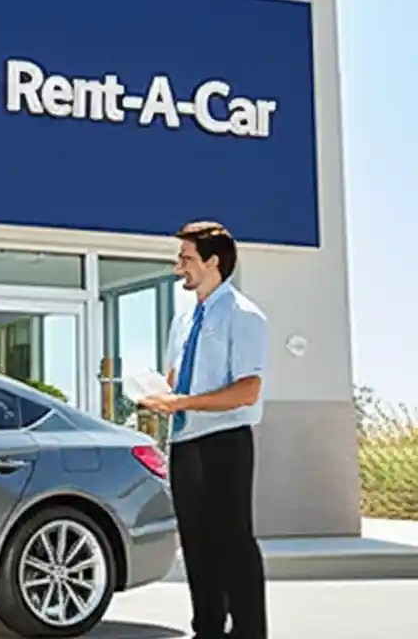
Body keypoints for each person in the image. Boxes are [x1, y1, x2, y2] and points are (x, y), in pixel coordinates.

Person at [137, 221, 269, 639]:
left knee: (233, 541)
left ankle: (249, 632)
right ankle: (208, 629)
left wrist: (183, 402)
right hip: (185, 441)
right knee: (196, 544)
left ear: (213, 262)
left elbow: (248, 389)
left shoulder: (244, 316)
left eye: (186, 258)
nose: (179, 267)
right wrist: (160, 393)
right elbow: (180, 379)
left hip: (225, 442)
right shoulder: (184, 319)